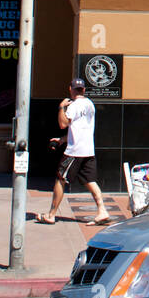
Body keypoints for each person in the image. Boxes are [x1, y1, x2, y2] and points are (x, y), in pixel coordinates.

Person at [38, 78, 109, 225]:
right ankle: (102, 210)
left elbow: (63, 124)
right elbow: (79, 127)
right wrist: (62, 140)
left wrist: (61, 108)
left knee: (60, 179)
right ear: (83, 90)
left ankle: (51, 215)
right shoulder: (90, 104)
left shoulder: (73, 106)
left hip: (74, 151)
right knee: (90, 180)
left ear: (71, 89)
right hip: (88, 150)